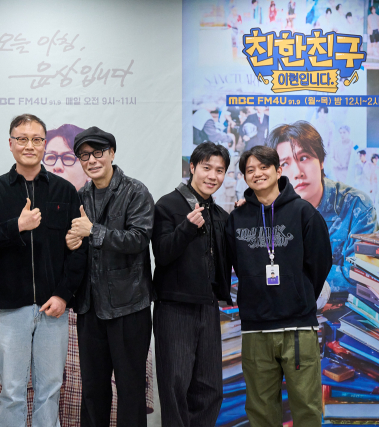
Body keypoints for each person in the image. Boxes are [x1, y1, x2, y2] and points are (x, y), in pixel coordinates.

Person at [0, 114, 87, 427]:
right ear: (11, 144)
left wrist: (63, 294)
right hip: (10, 307)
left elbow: (79, 249)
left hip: (53, 308)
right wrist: (16, 226)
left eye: (36, 139)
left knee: (50, 389)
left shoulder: (64, 191)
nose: (29, 145)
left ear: (44, 144)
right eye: (22, 139)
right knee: (12, 391)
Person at [225, 145, 332, 426]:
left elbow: (321, 262)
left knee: (307, 409)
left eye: (264, 167)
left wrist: (298, 293)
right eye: (250, 170)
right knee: (260, 412)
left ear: (278, 171)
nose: (257, 173)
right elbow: (233, 262)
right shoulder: (237, 218)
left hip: (298, 329)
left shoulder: (303, 212)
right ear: (244, 177)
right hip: (255, 330)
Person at [66, 126, 154, 427]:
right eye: (84, 155)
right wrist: (71, 243)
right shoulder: (79, 196)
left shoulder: (136, 191)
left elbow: (139, 239)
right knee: (92, 390)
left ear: (112, 153)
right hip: (90, 307)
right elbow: (76, 248)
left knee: (131, 389)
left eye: (98, 152)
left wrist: (93, 231)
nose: (91, 160)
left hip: (129, 306)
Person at [152, 142, 233, 427]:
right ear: (192, 167)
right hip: (175, 307)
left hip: (208, 306)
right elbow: (161, 254)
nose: (213, 176)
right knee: (175, 386)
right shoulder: (168, 205)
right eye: (207, 168)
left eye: (219, 170)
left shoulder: (220, 214)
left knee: (210, 388)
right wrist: (187, 227)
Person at [267, 121, 377, 294]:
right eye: (285, 164)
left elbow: (360, 276)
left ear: (321, 161)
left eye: (304, 158)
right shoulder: (268, 211)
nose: (298, 172)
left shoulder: (358, 206)